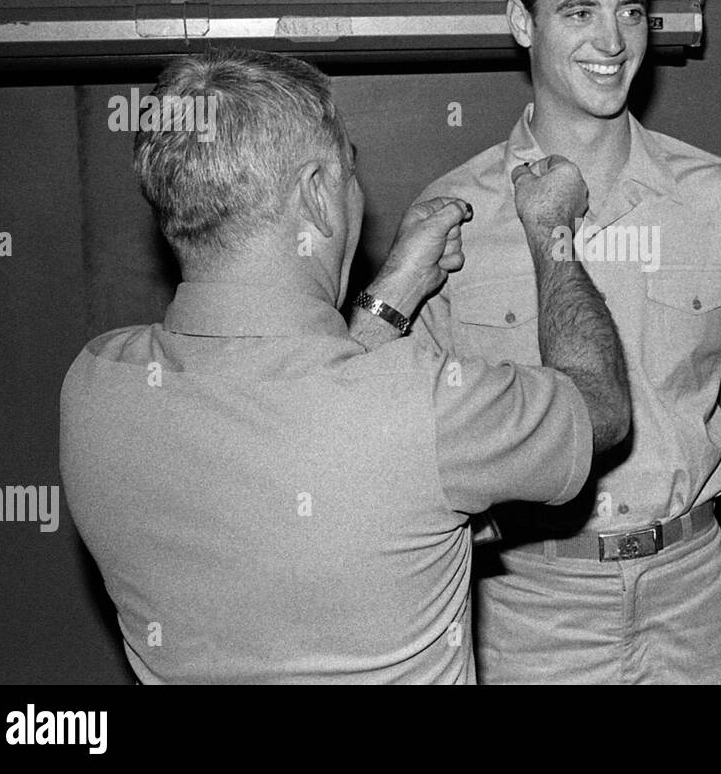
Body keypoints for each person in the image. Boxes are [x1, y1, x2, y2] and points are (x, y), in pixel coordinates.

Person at [59, 47, 629, 683]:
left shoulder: (95, 385)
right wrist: (552, 230)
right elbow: (599, 407)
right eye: (347, 174)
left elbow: (310, 429)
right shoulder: (426, 404)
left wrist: (392, 295)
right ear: (316, 196)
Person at [412, 0, 721, 684]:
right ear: (522, 23)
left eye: (629, 11)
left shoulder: (717, 196)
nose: (612, 42)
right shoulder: (453, 219)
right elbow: (415, 455)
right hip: (530, 608)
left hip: (697, 591)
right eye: (579, 12)